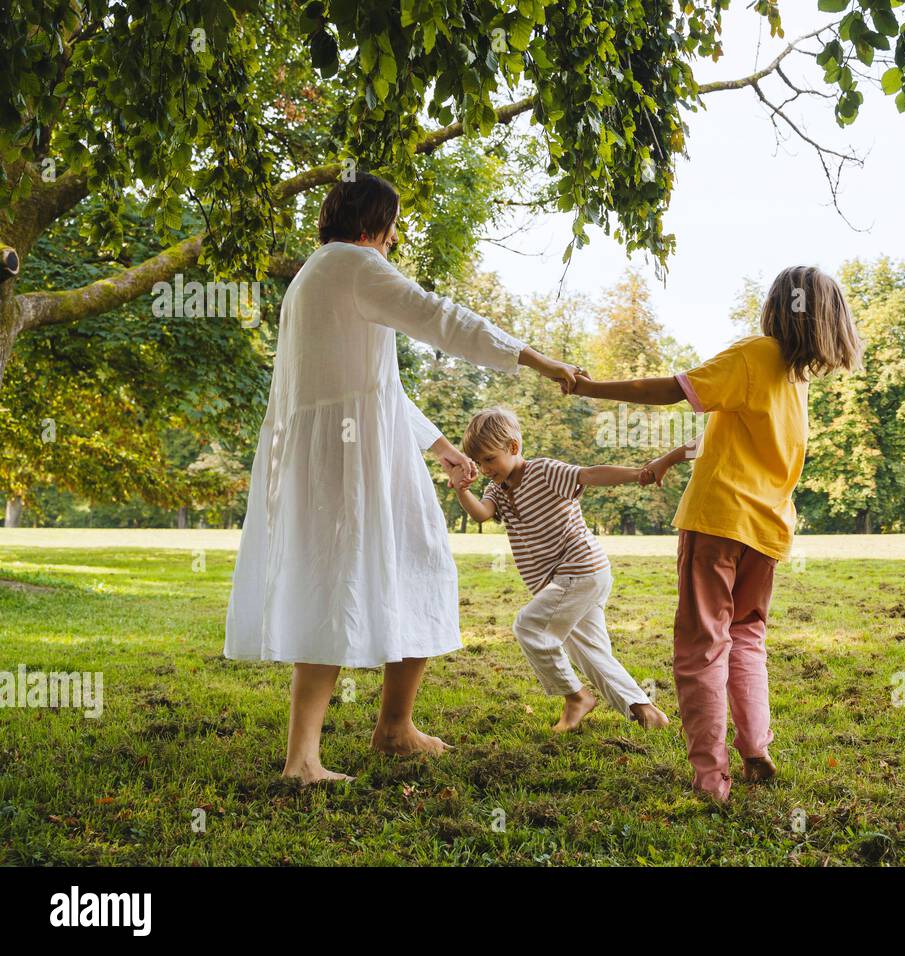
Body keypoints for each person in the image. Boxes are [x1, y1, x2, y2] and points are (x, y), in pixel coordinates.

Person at [225, 173, 579, 783]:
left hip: (345, 451)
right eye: (392, 226)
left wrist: (440, 447)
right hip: (354, 459)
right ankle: (321, 754)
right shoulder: (358, 266)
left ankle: (383, 731)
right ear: (375, 226)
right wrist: (534, 358)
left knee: (373, 572)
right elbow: (441, 318)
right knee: (368, 576)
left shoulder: (315, 274)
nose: (395, 238)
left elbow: (372, 387)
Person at [566, 266, 862, 800]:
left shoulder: (753, 355)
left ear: (776, 307)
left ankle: (710, 776)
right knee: (747, 638)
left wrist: (589, 386)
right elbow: (735, 435)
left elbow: (672, 390)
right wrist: (669, 457)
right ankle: (756, 749)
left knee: (703, 646)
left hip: (718, 521)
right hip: (767, 532)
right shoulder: (796, 381)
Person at [455, 407, 671, 733]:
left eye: (489, 459)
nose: (485, 469)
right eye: (480, 463)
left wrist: (639, 473)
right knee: (589, 651)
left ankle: (576, 697)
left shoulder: (543, 471)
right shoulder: (496, 490)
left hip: (579, 571)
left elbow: (589, 475)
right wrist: (461, 490)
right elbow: (481, 515)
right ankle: (646, 712)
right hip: (572, 579)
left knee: (529, 627)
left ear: (513, 447)